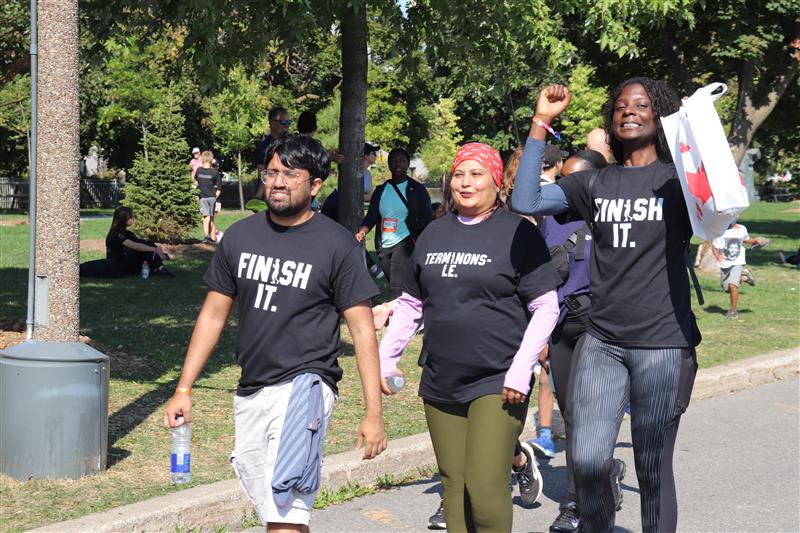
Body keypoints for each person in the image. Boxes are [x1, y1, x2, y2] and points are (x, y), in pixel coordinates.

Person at [163, 134, 387, 532]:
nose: (278, 182)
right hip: (251, 387)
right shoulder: (240, 237)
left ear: (315, 185)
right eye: (272, 172)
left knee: (284, 510)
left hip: (305, 385)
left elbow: (362, 330)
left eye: (290, 174)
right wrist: (184, 388)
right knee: (275, 510)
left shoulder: (337, 246)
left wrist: (374, 412)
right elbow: (213, 316)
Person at [511, 80, 701, 533]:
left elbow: (724, 205)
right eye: (620, 106)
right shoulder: (595, 182)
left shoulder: (678, 182)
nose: (628, 111)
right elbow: (525, 199)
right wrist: (541, 121)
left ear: (660, 116)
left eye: (641, 105)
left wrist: (694, 129)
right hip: (603, 342)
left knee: (652, 468)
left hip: (663, 343)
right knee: (589, 461)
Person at [379, 142, 561, 532]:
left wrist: (520, 369)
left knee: (484, 486)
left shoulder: (518, 233)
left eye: (477, 174)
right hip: (441, 380)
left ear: (496, 181)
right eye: (459, 174)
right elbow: (411, 304)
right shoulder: (434, 233)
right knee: (455, 485)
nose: (465, 182)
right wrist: (386, 359)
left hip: (498, 380)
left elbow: (546, 306)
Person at [537, 150, 627, 533]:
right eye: (564, 180)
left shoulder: (612, 218)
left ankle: (576, 502)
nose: (567, 189)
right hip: (560, 323)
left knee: (583, 412)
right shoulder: (550, 220)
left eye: (577, 181)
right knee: (572, 414)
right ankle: (605, 473)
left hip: (597, 322)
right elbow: (540, 278)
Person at [356, 148, 433, 299]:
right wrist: (363, 231)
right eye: (393, 161)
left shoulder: (417, 190)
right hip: (384, 244)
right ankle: (412, 306)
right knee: (394, 280)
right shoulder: (381, 190)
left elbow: (427, 217)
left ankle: (397, 313)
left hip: (406, 242)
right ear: (389, 164)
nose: (397, 164)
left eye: (402, 161)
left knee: (396, 286)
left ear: (408, 164)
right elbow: (371, 216)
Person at [79, 205, 172, 278]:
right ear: (124, 219)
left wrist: (155, 247)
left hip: (125, 265)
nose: (133, 219)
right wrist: (154, 249)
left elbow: (140, 242)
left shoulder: (127, 233)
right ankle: (158, 268)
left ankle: (158, 268)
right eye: (131, 217)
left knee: (146, 244)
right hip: (115, 266)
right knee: (83, 268)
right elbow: (135, 246)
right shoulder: (116, 234)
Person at [711, 222, 759, 318]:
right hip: (725, 263)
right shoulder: (720, 230)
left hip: (738, 261)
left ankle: (732, 311)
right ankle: (744, 278)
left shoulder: (742, 228)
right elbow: (714, 247)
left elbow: (746, 239)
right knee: (727, 288)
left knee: (733, 286)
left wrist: (755, 241)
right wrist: (718, 256)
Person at [195, 150, 222, 244]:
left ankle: (207, 237)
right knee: (211, 218)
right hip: (212, 198)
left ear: (202, 160)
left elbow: (196, 181)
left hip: (203, 198)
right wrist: (215, 197)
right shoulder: (215, 172)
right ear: (211, 160)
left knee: (206, 217)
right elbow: (219, 188)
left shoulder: (199, 170)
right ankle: (211, 238)